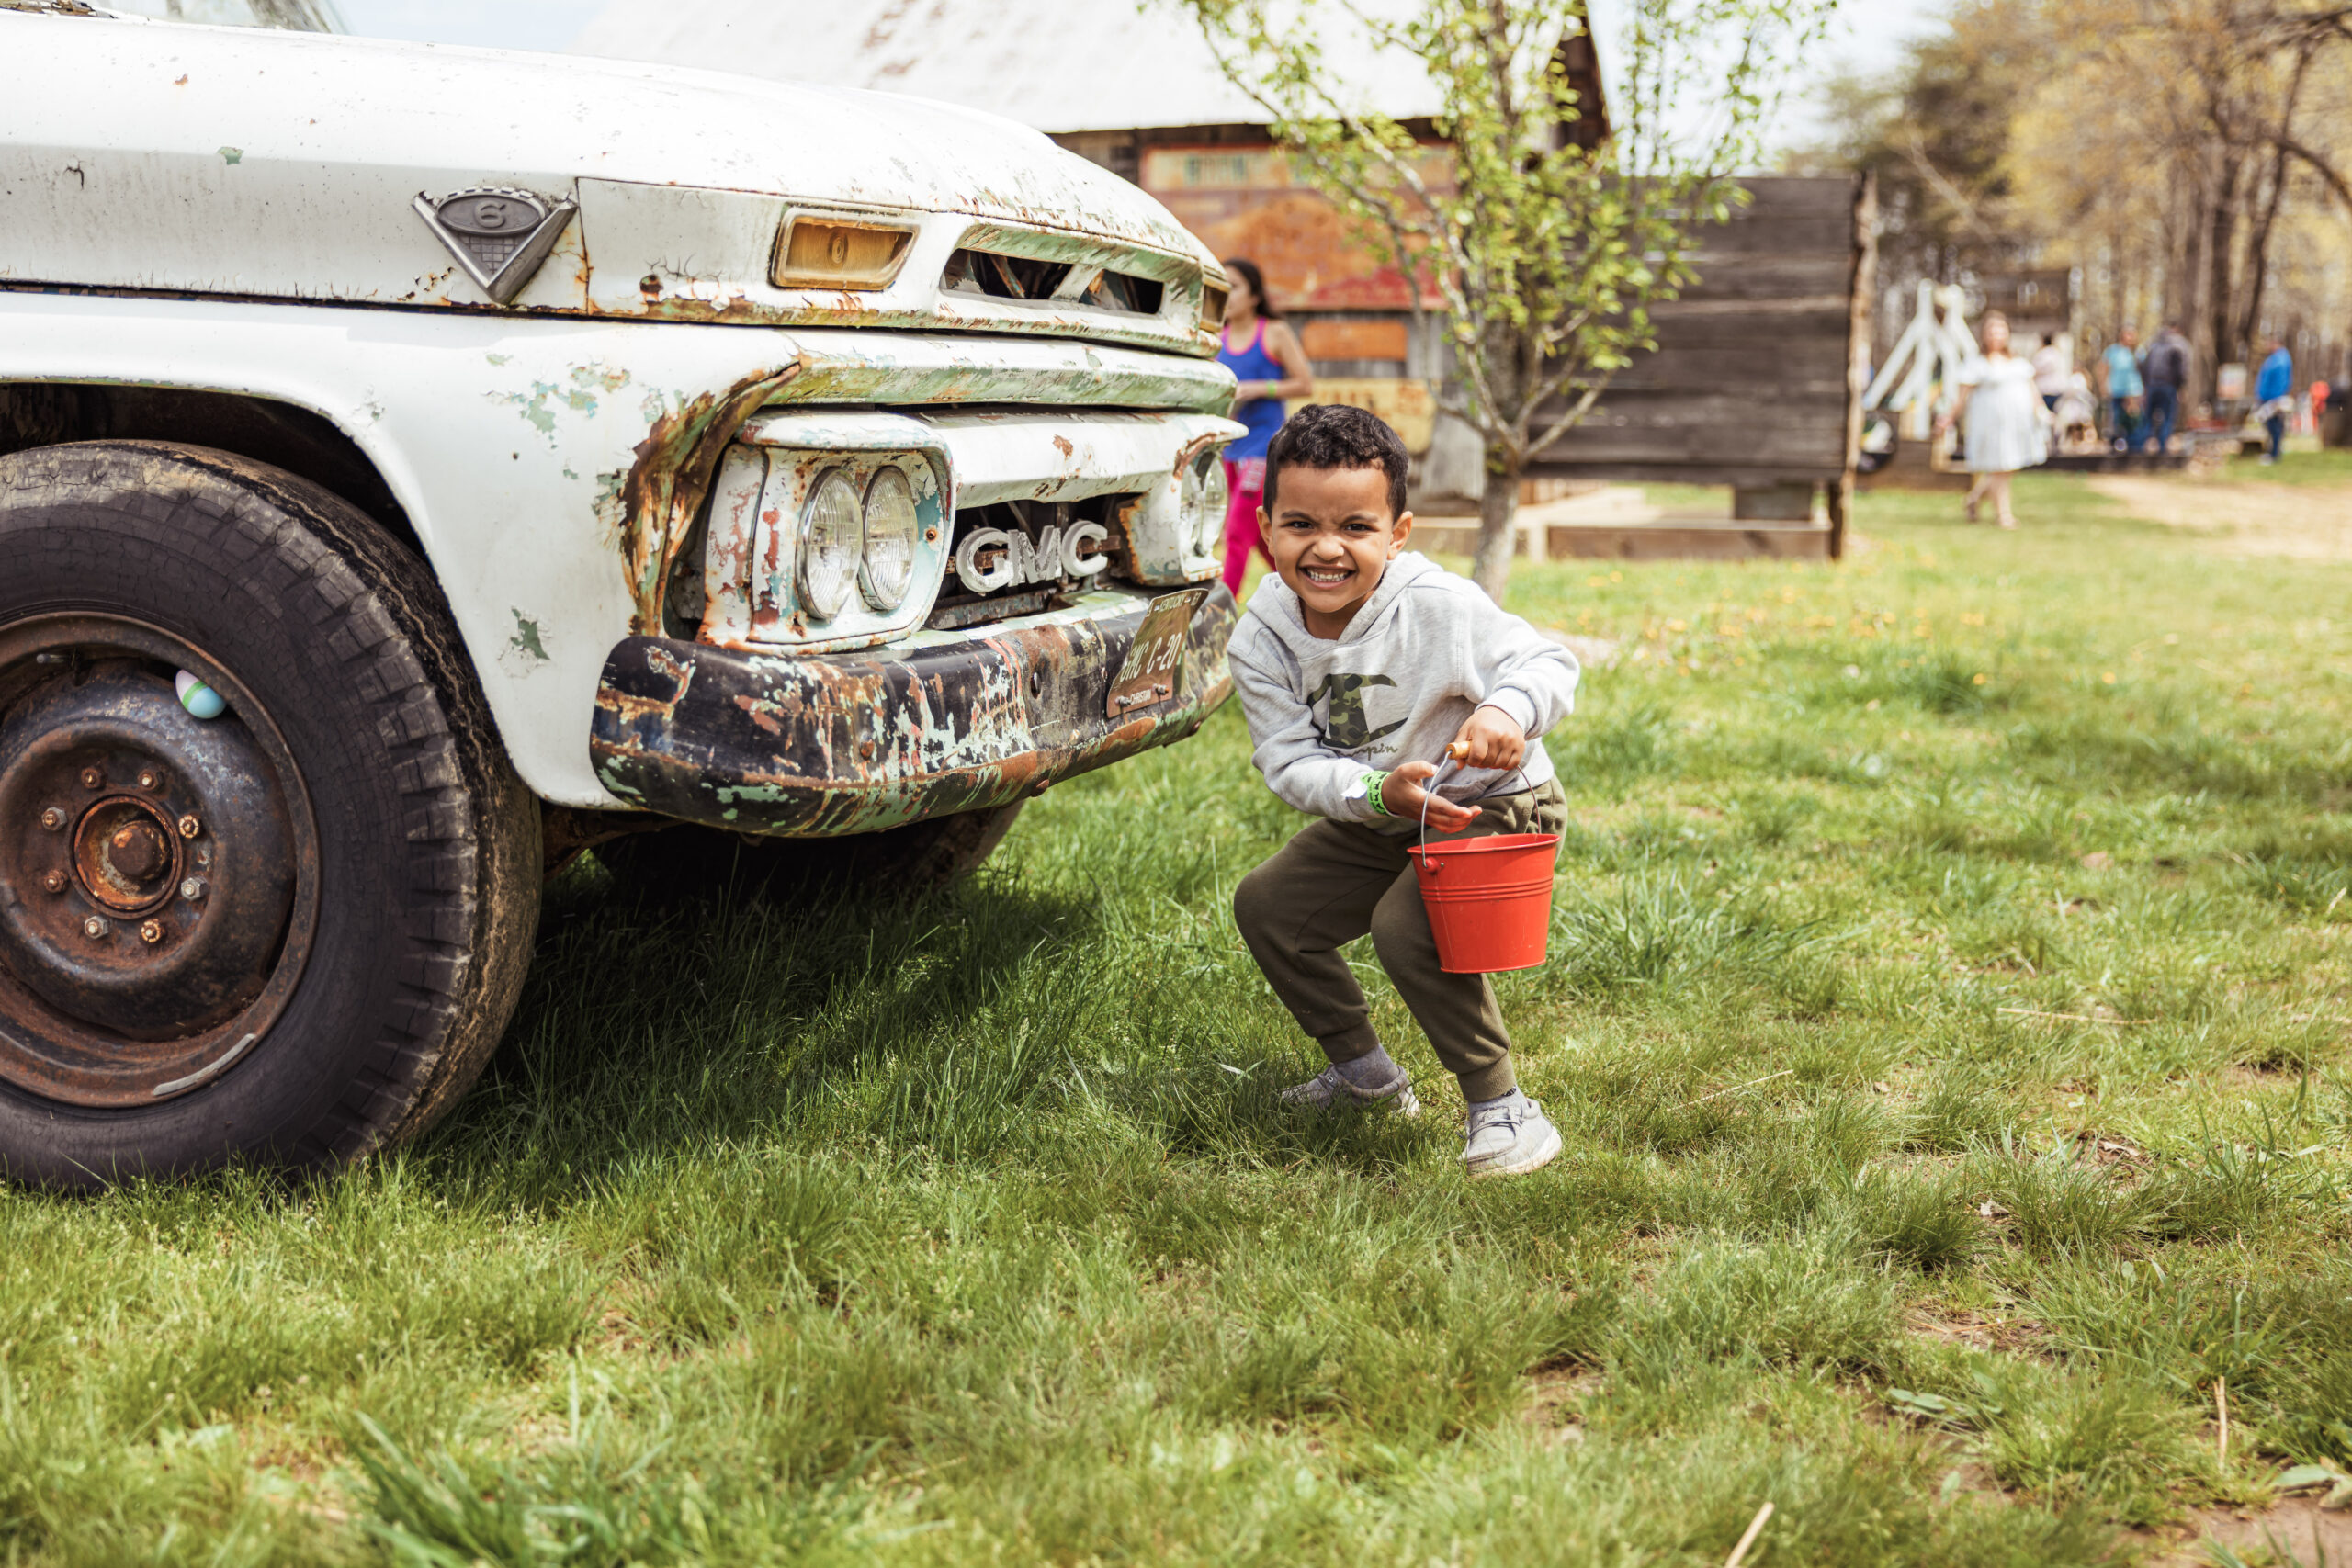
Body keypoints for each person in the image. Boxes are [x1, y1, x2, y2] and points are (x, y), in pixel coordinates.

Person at [1227, 404, 1578, 1179]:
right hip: (1383, 806)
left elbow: (1549, 664)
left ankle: (1504, 1106)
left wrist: (1501, 709)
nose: (1326, 548)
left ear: (1399, 532)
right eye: (1300, 525)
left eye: (1356, 526)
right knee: (1270, 908)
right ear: (1265, 526)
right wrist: (1379, 792)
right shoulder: (1261, 637)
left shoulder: (1438, 607)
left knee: (1404, 924)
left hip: (1491, 799)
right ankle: (1365, 1076)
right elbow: (1288, 761)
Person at [1214, 258, 1313, 595]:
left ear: (1255, 294)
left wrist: (1259, 388)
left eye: (1236, 286)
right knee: (1257, 537)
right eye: (1222, 286)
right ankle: (1304, 591)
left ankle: (1219, 611)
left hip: (1264, 450)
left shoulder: (1273, 332)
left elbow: (1304, 383)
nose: (1228, 294)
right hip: (1229, 450)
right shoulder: (1216, 340)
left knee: (1237, 533)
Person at [1938, 310, 2046, 528]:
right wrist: (1947, 418)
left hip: (2017, 425)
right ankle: (2003, 515)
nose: (1996, 335)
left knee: (2008, 467)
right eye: (1991, 331)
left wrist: (2042, 412)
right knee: (2000, 468)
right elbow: (1962, 397)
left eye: (2000, 330)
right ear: (1984, 335)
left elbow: (2033, 392)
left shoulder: (2018, 363)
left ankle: (1973, 499)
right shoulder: (1976, 364)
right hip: (1991, 425)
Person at [2143, 321, 2191, 455]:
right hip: (2168, 386)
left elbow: (2144, 365)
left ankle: (2144, 444)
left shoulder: (2153, 344)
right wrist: (2182, 387)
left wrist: (2145, 385)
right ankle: (2163, 448)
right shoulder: (2178, 345)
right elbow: (2182, 368)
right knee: (2168, 416)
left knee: (2148, 416)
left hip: (2152, 385)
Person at [2254, 335, 2293, 465]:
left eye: (2270, 343)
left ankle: (2275, 454)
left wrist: (2276, 398)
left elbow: (2281, 381)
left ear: (2276, 343)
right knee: (2271, 426)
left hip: (2273, 398)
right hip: (2267, 396)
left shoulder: (2281, 360)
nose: (2268, 346)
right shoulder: (2274, 358)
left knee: (2275, 426)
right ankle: (2272, 452)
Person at [2103, 328, 2143, 451]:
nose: (2130, 338)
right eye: (2128, 334)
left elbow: (2143, 371)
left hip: (2134, 391)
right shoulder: (2112, 351)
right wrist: (2103, 386)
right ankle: (2115, 444)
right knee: (2116, 419)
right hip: (2117, 391)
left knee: (2133, 420)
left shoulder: (2138, 352)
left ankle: (2134, 446)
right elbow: (2103, 368)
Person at [2031, 332, 2067, 411]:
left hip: (2046, 391)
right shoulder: (2058, 353)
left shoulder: (2043, 354)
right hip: (2058, 390)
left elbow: (2034, 370)